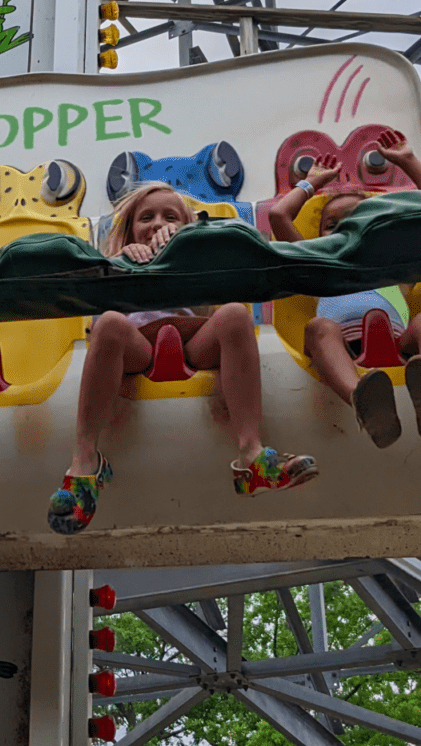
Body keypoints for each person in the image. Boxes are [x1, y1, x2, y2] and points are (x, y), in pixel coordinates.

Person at [47, 183, 319, 536]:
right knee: (110, 323)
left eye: (170, 216)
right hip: (137, 344)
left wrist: (187, 253)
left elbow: (209, 304)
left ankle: (251, 453)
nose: (158, 224)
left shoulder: (200, 258)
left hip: (191, 340)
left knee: (235, 314)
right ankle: (85, 458)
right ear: (130, 229)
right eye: (147, 217)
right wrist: (123, 264)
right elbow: (100, 307)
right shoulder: (116, 261)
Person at [266, 129, 421, 448]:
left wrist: (408, 161)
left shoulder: (395, 269)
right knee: (318, 328)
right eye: (332, 225)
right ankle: (364, 400)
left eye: (358, 219)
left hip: (399, 343)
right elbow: (278, 216)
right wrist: (311, 182)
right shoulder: (322, 269)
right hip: (342, 349)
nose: (345, 228)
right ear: (321, 239)